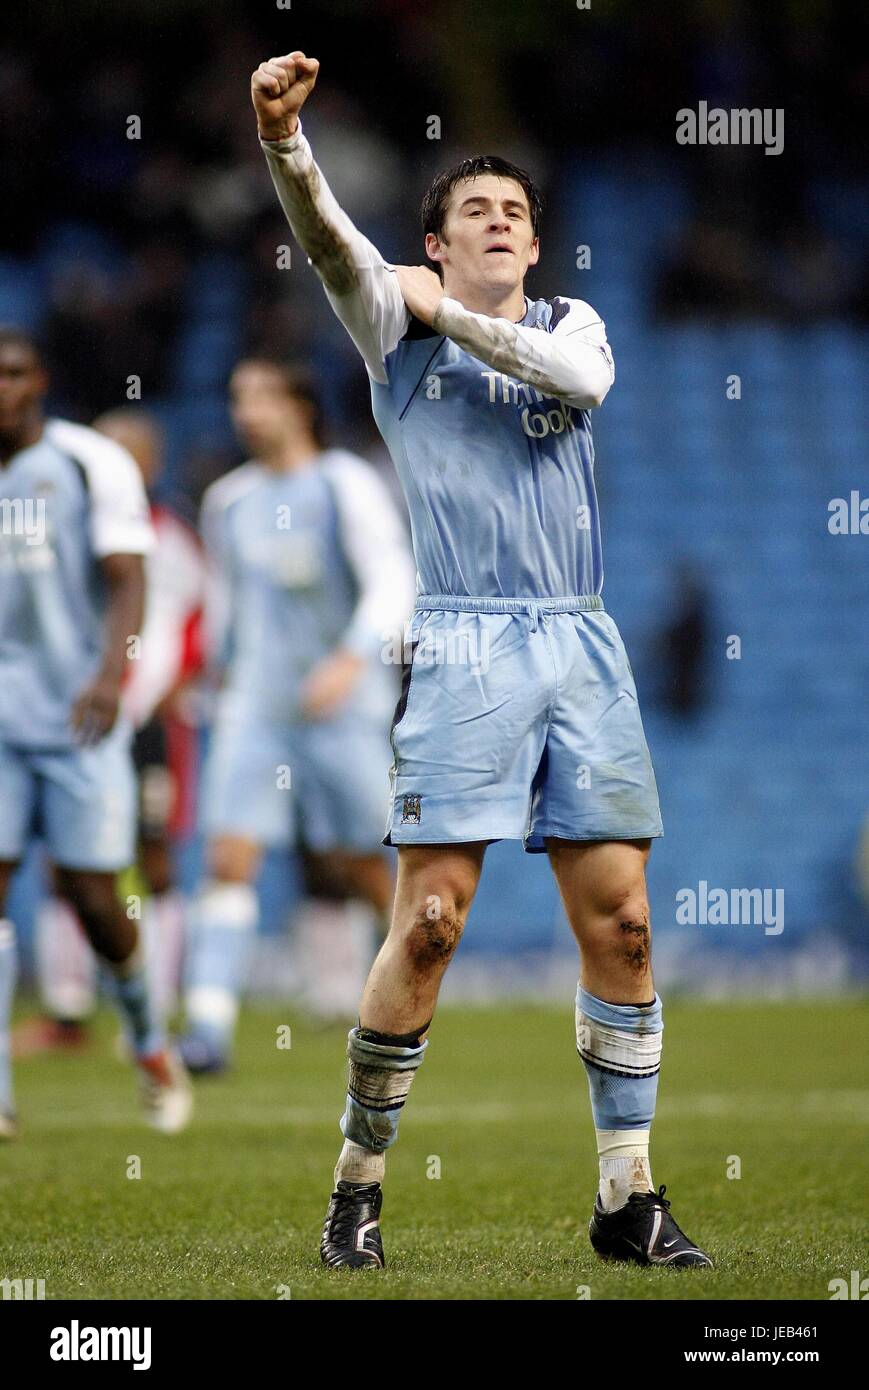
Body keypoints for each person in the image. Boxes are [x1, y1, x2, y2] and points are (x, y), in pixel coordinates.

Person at [251, 52, 713, 1271]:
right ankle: (356, 1184)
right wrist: (284, 147)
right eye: (475, 213)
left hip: (577, 635)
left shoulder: (570, 323)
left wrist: (446, 309)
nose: (502, 222)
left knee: (619, 927)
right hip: (460, 641)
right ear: (435, 240)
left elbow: (582, 381)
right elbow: (335, 246)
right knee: (432, 925)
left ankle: (626, 1197)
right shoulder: (382, 325)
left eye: (515, 210)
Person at [178, 358, 415, 1072]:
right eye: (237, 396)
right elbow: (228, 599)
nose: (246, 410)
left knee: (359, 865)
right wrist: (214, 670)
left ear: (300, 405)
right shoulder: (228, 501)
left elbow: (392, 578)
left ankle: (406, 990)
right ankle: (207, 1027)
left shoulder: (346, 483)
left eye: (262, 395)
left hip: (343, 708)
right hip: (258, 705)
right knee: (229, 855)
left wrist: (350, 659)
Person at [0, 328, 192, 1137]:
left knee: (93, 898)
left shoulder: (89, 464)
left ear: (38, 378)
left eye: (11, 372)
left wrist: (114, 675)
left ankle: (149, 1043)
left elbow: (128, 577)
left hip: (80, 716)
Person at [14, 409, 206, 1054]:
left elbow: (189, 633)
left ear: (148, 466)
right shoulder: (61, 530)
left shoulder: (170, 540)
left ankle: (159, 1009)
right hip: (73, 716)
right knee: (63, 865)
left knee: (154, 861)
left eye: (129, 452)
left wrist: (142, 695)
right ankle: (68, 1013)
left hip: (146, 721)